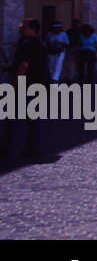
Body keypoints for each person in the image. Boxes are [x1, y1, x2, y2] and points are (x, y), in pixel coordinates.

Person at [1, 19, 49, 160]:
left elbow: (23, 66)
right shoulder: (37, 43)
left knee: (13, 117)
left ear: (32, 29)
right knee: (32, 118)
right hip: (37, 85)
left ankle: (5, 148)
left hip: (27, 85)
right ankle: (34, 147)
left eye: (23, 27)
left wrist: (14, 84)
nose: (20, 30)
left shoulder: (30, 44)